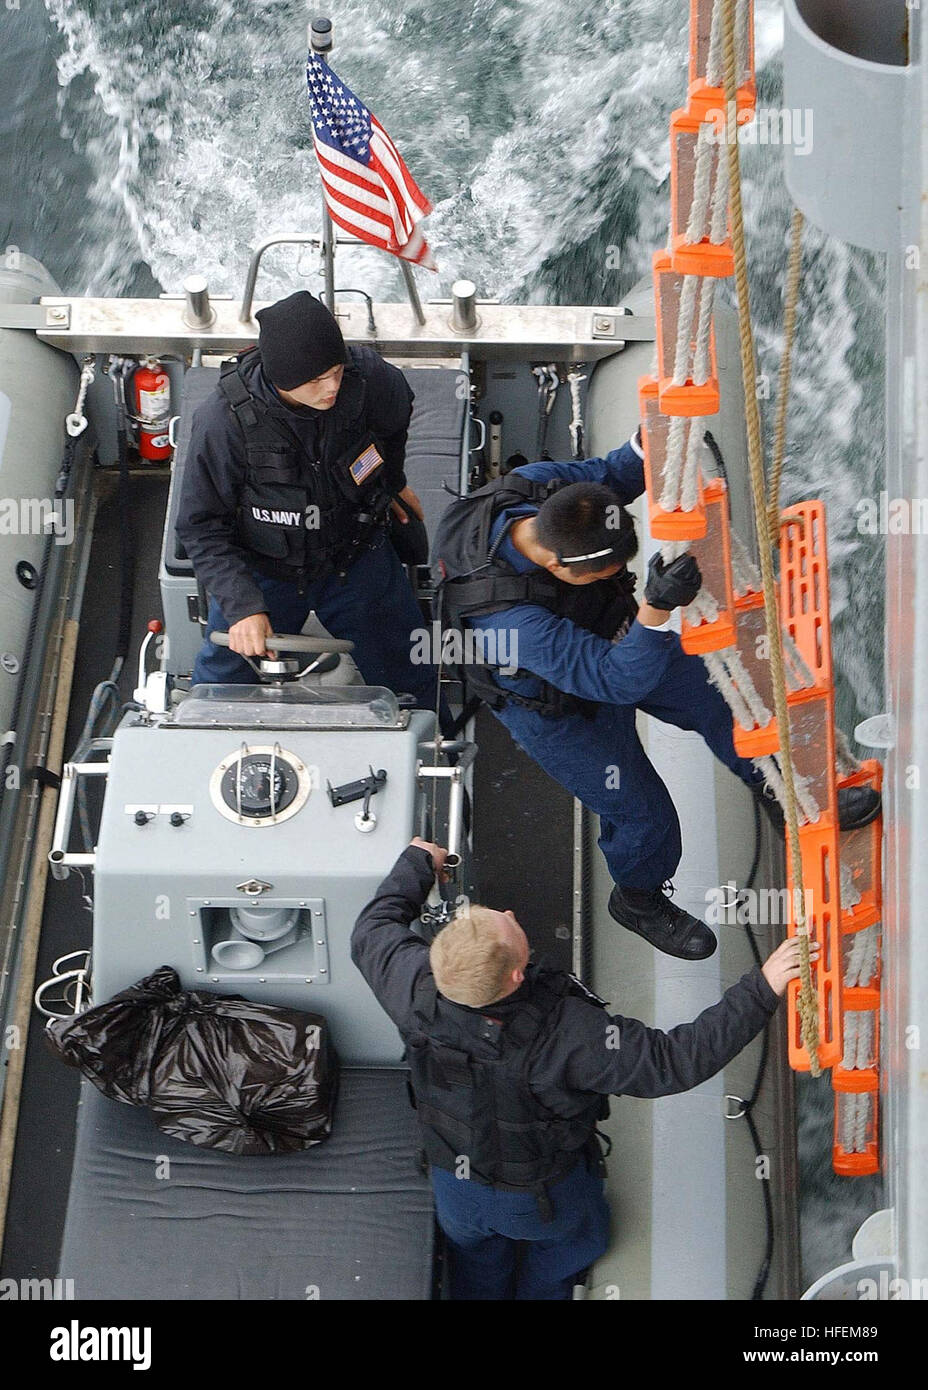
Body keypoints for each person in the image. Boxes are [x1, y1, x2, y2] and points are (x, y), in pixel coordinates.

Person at [433, 436, 880, 961]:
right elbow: (613, 681)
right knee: (645, 816)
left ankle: (782, 793)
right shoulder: (509, 621)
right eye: (604, 571)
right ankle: (639, 900)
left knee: (721, 697)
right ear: (558, 566)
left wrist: (653, 443)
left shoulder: (544, 490)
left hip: (611, 635)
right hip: (561, 708)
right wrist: (656, 607)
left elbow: (613, 472)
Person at [351, 838, 816, 1301]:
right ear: (516, 976)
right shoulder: (570, 1035)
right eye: (507, 925)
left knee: (477, 1260)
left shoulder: (409, 986)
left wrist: (416, 862)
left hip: (453, 1186)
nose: (512, 916)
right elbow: (676, 1062)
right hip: (540, 1200)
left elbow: (372, 927)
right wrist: (762, 987)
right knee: (569, 1249)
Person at [175, 289, 445, 725]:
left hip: (356, 559)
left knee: (411, 673)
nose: (332, 387)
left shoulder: (376, 381)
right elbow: (201, 524)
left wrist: (391, 482)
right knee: (219, 683)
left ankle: (438, 756)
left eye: (337, 371)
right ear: (281, 378)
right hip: (265, 572)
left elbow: (394, 430)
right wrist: (244, 606)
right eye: (316, 380)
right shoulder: (223, 421)